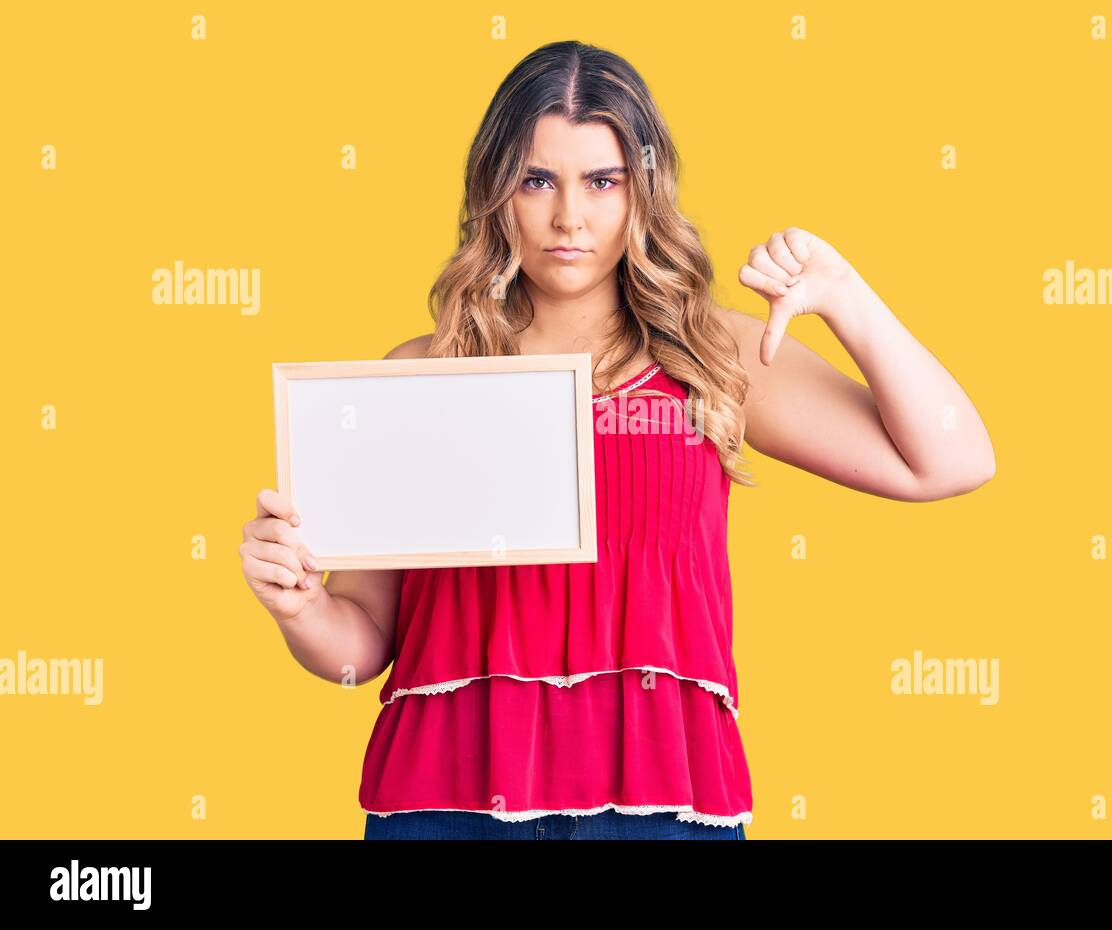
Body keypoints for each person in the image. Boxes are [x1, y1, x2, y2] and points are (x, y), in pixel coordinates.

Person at [239, 40, 996, 841]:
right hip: (445, 804)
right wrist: (300, 606)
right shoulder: (426, 374)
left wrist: (847, 296)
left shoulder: (716, 355)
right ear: (498, 192)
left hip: (658, 807)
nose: (570, 217)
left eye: (603, 181)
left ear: (644, 193)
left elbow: (952, 459)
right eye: (539, 180)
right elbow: (362, 646)